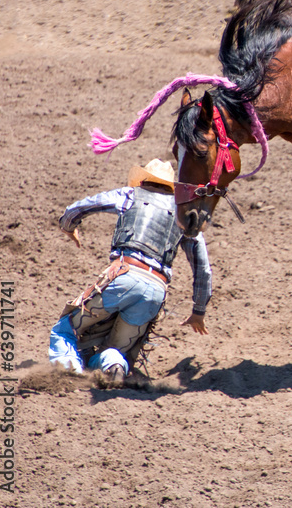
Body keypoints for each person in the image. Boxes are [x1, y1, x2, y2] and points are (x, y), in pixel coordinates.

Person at [48, 159, 212, 385]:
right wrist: (199, 311)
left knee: (65, 328)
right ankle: (114, 365)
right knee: (115, 350)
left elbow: (77, 208)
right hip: (155, 291)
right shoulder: (184, 213)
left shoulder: (129, 195)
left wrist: (69, 227)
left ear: (144, 179)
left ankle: (67, 376)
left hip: (123, 275)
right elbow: (203, 269)